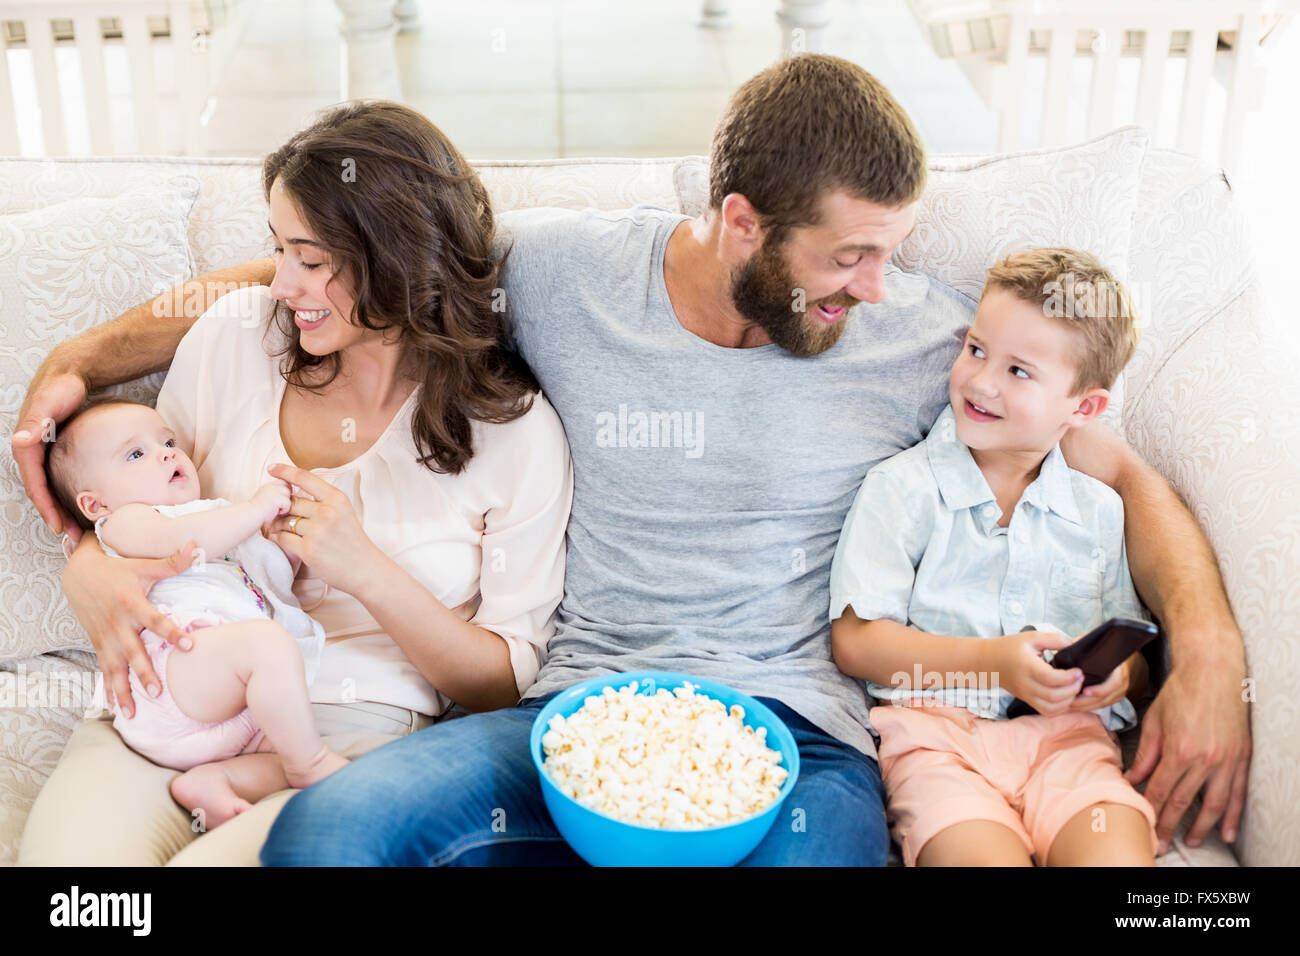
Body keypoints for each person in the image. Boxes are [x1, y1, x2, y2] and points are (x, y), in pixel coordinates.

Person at [13, 56, 1249, 866]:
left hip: (797, 737)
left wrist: (1211, 654)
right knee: (325, 838)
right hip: (566, 718)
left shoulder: (925, 338)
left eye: (890, 253)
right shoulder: (563, 279)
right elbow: (357, 269)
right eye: (848, 258)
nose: (878, 288)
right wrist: (88, 350)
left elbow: (1122, 469)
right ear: (741, 223)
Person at [13, 101, 573, 865]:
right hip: (173, 692)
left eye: (308, 260)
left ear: (396, 258)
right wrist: (88, 571)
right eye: (276, 250)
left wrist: (364, 569)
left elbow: (503, 680)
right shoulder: (238, 336)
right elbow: (136, 511)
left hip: (347, 733)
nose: (280, 283)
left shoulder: (511, 432)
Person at [830, 248, 1158, 866]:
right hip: (939, 747)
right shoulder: (903, 488)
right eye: (976, 350)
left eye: (1019, 371)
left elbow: (1132, 651)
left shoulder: (1098, 510)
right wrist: (993, 664)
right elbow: (856, 643)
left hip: (1070, 750)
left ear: (1083, 408)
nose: (981, 381)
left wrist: (1117, 678)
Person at [45, 398, 347, 827]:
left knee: (285, 736)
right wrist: (255, 509)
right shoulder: (127, 522)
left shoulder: (212, 514)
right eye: (136, 453)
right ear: (95, 506)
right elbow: (187, 541)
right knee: (267, 649)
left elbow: (262, 576)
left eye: (167, 440)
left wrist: (282, 546)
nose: (167, 452)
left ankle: (214, 780)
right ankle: (310, 765)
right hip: (174, 673)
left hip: (221, 702)